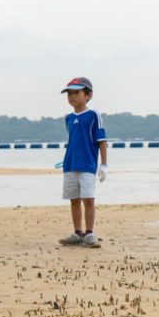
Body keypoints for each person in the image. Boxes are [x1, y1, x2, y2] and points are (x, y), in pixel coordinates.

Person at [57, 76, 108, 248]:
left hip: (87, 166)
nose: (72, 97)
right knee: (74, 200)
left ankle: (89, 233)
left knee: (88, 200)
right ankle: (77, 232)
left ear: (88, 95)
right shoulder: (68, 118)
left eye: (76, 92)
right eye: (69, 93)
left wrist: (104, 164)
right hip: (70, 165)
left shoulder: (93, 115)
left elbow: (101, 140)